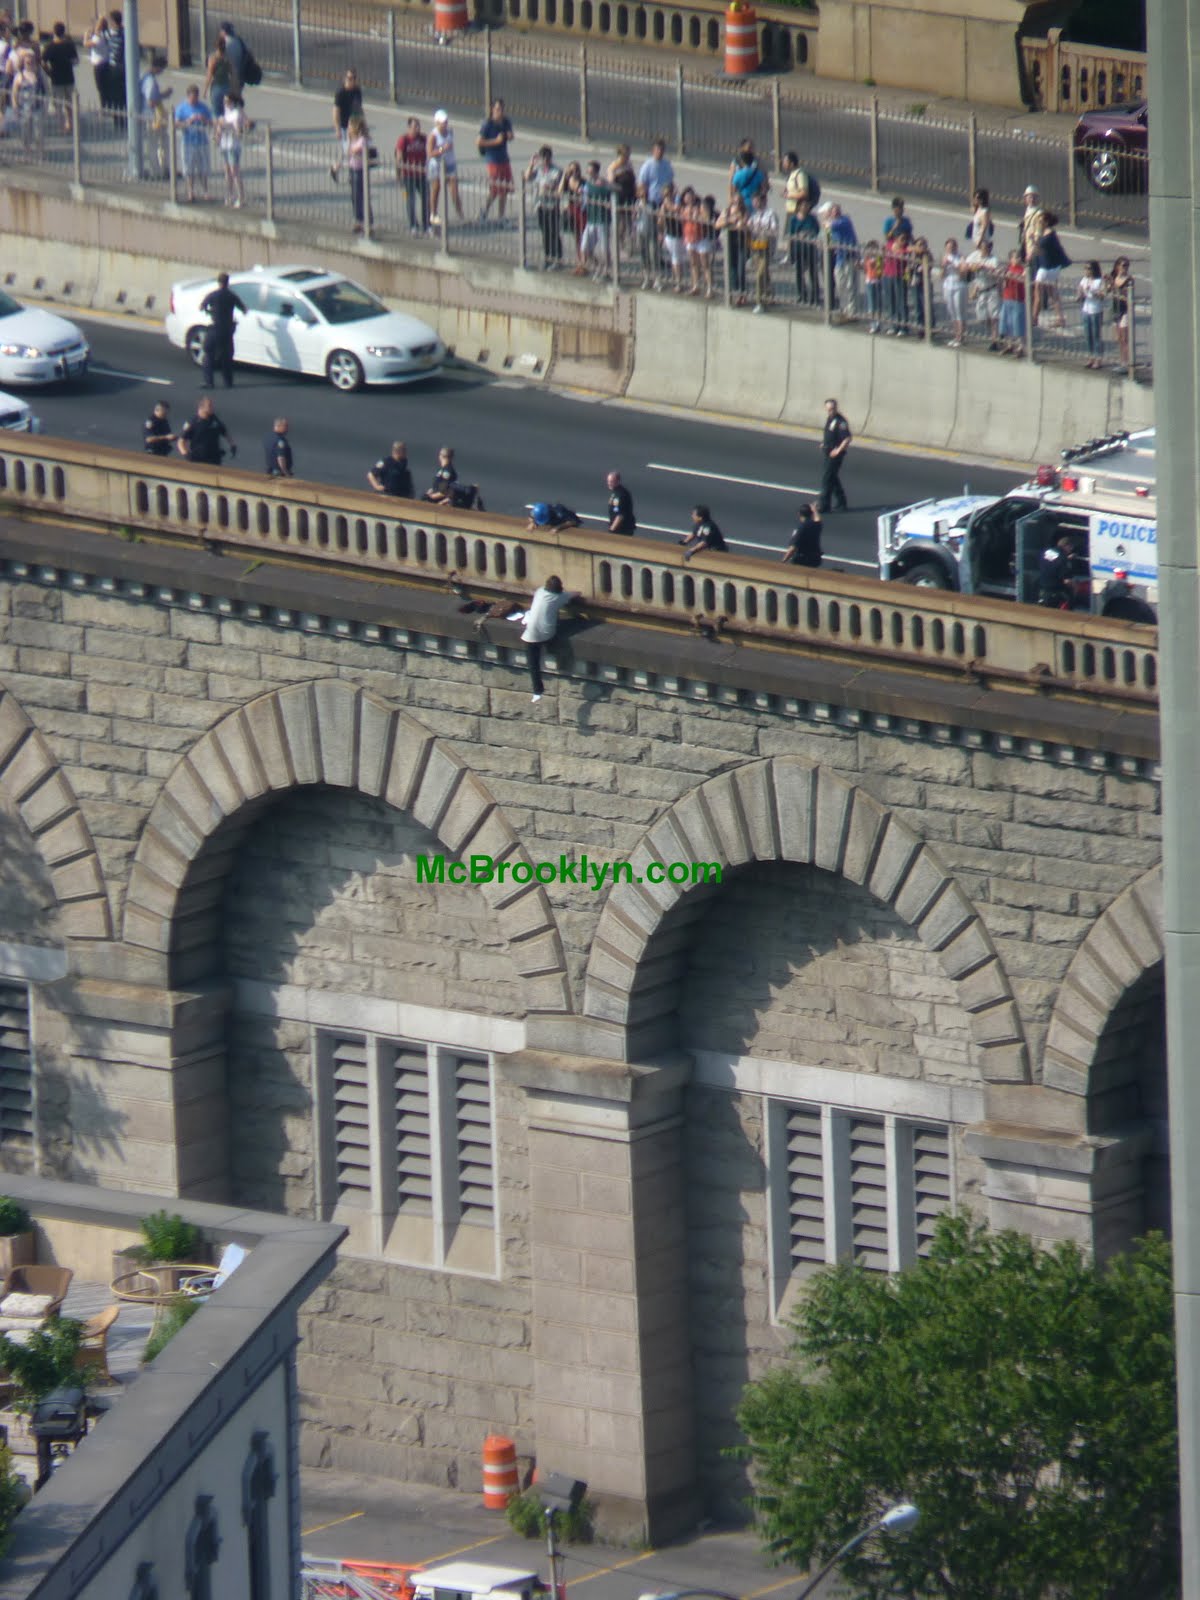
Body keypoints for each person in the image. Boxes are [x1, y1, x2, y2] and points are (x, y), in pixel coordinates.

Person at [521, 574, 579, 703]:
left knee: (533, 664)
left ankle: (538, 691)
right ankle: (538, 691)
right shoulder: (558, 597)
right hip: (547, 634)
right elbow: (576, 594)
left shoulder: (539, 592)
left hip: (530, 634)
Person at [199, 270, 246, 388]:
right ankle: (228, 382)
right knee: (227, 357)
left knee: (209, 353)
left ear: (218, 282)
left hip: (215, 329)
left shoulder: (213, 295)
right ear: (228, 283)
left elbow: (201, 307)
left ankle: (209, 382)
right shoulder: (232, 296)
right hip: (227, 331)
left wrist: (210, 311)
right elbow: (244, 309)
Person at [636, 137, 673, 289]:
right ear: (653, 151)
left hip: (661, 205)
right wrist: (643, 202)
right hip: (648, 204)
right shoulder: (648, 165)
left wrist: (666, 201)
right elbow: (642, 185)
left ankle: (657, 277)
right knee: (644, 241)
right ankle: (646, 276)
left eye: (662, 150)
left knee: (655, 245)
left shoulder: (666, 165)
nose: (659, 152)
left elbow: (669, 184)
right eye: (657, 150)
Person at [477, 97, 514, 222]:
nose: (499, 112)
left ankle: (501, 216)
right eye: (497, 109)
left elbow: (510, 135)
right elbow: (479, 142)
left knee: (504, 189)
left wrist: (509, 136)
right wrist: (495, 141)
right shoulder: (488, 124)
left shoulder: (506, 122)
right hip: (493, 159)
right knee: (495, 189)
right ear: (493, 109)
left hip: (504, 158)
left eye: (501, 109)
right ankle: (484, 210)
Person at [525, 145, 562, 269]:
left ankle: (557, 258)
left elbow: (558, 186)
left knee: (553, 233)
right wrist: (531, 164)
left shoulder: (556, 171)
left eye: (547, 159)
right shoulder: (539, 170)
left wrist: (549, 187)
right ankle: (548, 258)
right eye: (543, 159)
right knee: (545, 233)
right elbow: (527, 177)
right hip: (540, 205)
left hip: (552, 205)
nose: (545, 161)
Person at [174, 84, 213, 204]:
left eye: (196, 98)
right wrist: (188, 121)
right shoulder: (181, 108)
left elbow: (211, 122)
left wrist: (203, 119)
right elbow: (176, 124)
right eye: (192, 98)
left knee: (203, 168)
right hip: (188, 142)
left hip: (202, 142)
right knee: (189, 168)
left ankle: (206, 191)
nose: (194, 100)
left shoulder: (203, 108)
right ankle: (191, 191)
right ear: (188, 96)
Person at [427, 109, 462, 228]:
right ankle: (433, 213)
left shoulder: (450, 132)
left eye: (446, 122)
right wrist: (442, 149)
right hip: (437, 165)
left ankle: (460, 214)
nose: (444, 124)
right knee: (436, 188)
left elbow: (451, 145)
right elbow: (430, 153)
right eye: (442, 122)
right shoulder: (433, 135)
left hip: (450, 163)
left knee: (454, 191)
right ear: (436, 123)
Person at [41, 22, 78, 134]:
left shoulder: (49, 46)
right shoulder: (69, 45)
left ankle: (61, 125)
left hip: (56, 78)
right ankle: (70, 124)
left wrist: (49, 72)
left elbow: (43, 62)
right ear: (64, 31)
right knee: (69, 103)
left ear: (54, 32)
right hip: (69, 77)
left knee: (58, 104)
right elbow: (76, 61)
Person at [178, 395, 235, 464]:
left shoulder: (214, 419)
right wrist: (187, 455)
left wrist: (232, 445)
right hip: (198, 458)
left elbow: (224, 431)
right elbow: (181, 442)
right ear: (202, 408)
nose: (212, 408)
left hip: (214, 458)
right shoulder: (193, 423)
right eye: (210, 406)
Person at [140, 54, 172, 177]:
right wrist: (164, 94)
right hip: (153, 116)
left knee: (155, 144)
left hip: (149, 115)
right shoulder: (150, 81)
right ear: (158, 67)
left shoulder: (144, 76)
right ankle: (159, 171)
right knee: (158, 143)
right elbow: (151, 101)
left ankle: (159, 169)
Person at [581, 159, 613, 280]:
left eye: (591, 171)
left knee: (604, 248)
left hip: (602, 220)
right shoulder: (587, 185)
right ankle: (597, 266)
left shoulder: (603, 184)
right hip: (591, 220)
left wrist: (607, 184)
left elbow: (615, 190)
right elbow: (584, 199)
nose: (589, 174)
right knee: (585, 247)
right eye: (588, 171)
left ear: (596, 172)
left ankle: (607, 271)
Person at [396, 116, 429, 234]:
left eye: (418, 126)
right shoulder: (403, 140)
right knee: (410, 200)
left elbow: (429, 151)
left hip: (421, 174)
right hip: (408, 175)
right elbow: (399, 157)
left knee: (426, 199)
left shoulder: (423, 138)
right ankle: (413, 224)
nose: (417, 129)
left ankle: (426, 224)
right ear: (409, 128)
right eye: (414, 127)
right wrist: (399, 174)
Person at [747, 190, 778, 314]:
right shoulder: (754, 215)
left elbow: (774, 230)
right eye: (753, 201)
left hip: (766, 248)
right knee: (765, 274)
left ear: (764, 201)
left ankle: (759, 302)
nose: (754, 203)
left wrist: (763, 230)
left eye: (757, 201)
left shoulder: (770, 214)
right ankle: (770, 295)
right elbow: (749, 226)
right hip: (756, 247)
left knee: (759, 275)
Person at [818, 398, 851, 513]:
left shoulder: (840, 421)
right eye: (828, 409)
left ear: (836, 408)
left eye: (832, 409)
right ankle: (842, 502)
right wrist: (825, 444)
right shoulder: (830, 419)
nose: (830, 411)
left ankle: (824, 505)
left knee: (827, 479)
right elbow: (830, 434)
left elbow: (847, 438)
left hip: (835, 455)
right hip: (828, 452)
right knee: (833, 478)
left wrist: (838, 451)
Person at [826, 203, 858, 319]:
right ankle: (844, 309)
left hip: (849, 256)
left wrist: (826, 219)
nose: (835, 213)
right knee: (840, 284)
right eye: (833, 212)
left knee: (850, 285)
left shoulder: (844, 221)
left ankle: (852, 311)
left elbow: (830, 225)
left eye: (836, 211)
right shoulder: (833, 223)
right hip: (840, 258)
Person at [330, 68, 362, 180]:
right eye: (349, 78)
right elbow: (335, 112)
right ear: (345, 78)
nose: (351, 80)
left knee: (348, 151)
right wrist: (337, 129)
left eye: (353, 78)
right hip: (344, 127)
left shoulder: (357, 91)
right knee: (348, 150)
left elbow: (359, 108)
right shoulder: (341, 92)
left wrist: (362, 124)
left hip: (355, 126)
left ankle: (335, 168)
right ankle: (350, 173)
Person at [346, 112, 374, 235]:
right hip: (353, 168)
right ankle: (358, 220)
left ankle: (366, 222)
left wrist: (350, 145)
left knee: (362, 196)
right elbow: (348, 152)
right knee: (354, 196)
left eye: (350, 126)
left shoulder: (362, 140)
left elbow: (353, 151)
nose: (348, 129)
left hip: (360, 170)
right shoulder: (353, 139)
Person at [219, 91, 248, 208]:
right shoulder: (226, 113)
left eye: (227, 101)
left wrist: (224, 124)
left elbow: (236, 127)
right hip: (225, 144)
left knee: (234, 171)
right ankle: (229, 195)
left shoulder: (236, 113)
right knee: (227, 171)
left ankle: (241, 197)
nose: (225, 103)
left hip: (233, 145)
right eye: (224, 101)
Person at [792, 196, 821, 307]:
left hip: (810, 248)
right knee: (799, 273)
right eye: (803, 205)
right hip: (799, 248)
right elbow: (791, 234)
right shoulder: (794, 219)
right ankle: (802, 295)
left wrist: (808, 234)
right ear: (799, 206)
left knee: (813, 273)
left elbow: (817, 231)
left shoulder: (812, 218)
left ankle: (815, 296)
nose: (805, 207)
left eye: (807, 205)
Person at [1077, 259, 1105, 368]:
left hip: (1096, 310)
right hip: (1086, 309)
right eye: (1085, 268)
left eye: (1089, 268)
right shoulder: (1084, 280)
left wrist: (1093, 293)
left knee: (1096, 335)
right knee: (1088, 335)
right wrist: (1080, 295)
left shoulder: (1099, 281)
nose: (1086, 271)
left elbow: (1102, 295)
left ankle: (1098, 359)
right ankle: (1090, 357)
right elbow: (1079, 290)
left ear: (1094, 270)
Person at [999, 248, 1027, 356]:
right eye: (1016, 257)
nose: (1018, 259)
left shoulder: (1022, 269)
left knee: (1018, 324)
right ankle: (1009, 345)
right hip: (1007, 298)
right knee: (1007, 323)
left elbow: (1023, 279)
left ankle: (1020, 347)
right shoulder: (1008, 268)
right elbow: (1002, 280)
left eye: (1019, 257)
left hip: (1018, 299)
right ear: (1010, 259)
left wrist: (1014, 276)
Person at [941, 238, 968, 347]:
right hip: (948, 285)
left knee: (959, 312)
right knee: (952, 312)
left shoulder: (960, 257)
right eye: (948, 247)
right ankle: (956, 335)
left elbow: (963, 273)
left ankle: (961, 337)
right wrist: (944, 265)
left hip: (959, 285)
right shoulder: (945, 257)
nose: (950, 249)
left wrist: (953, 263)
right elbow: (942, 275)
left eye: (952, 247)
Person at [1110, 256, 1134, 371]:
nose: (1125, 268)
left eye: (1127, 265)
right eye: (1123, 265)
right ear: (1117, 266)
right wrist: (1108, 282)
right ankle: (1122, 362)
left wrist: (1116, 288)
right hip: (1116, 309)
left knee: (1125, 338)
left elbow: (1126, 295)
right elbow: (1107, 291)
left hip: (1125, 310)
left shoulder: (1129, 280)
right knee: (1119, 338)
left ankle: (1129, 363)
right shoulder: (1114, 277)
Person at [203, 32, 233, 120]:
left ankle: (218, 131)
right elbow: (231, 72)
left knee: (216, 111)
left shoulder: (213, 58)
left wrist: (205, 90)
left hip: (217, 87)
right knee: (227, 110)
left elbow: (210, 74)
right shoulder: (228, 57)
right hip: (227, 86)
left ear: (216, 46)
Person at [84, 15, 111, 112]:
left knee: (101, 87)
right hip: (106, 62)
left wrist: (86, 35)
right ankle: (107, 106)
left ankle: (104, 108)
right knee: (106, 87)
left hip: (99, 65)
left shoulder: (98, 36)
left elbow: (87, 44)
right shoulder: (107, 34)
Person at [968, 187, 993, 253]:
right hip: (976, 237)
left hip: (982, 240)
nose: (974, 199)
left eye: (976, 198)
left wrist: (980, 240)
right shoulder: (978, 209)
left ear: (981, 200)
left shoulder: (984, 212)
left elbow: (984, 227)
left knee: (980, 256)